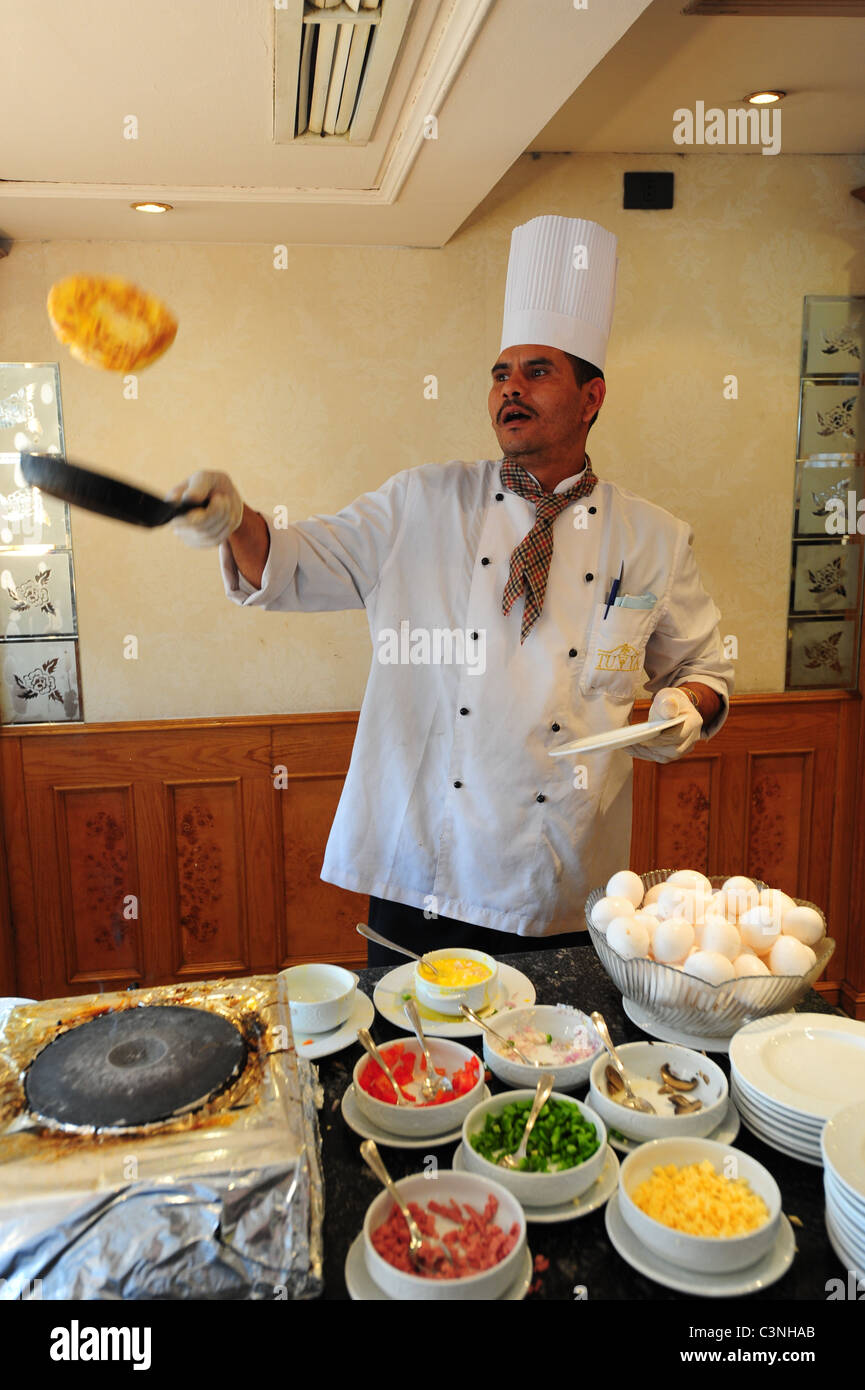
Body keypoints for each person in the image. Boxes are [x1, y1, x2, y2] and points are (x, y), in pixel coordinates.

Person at [167, 215, 733, 968]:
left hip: (558, 873)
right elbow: (295, 561)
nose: (509, 390)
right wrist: (235, 520)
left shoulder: (653, 537)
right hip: (424, 869)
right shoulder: (419, 504)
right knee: (415, 1067)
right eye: (500, 374)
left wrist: (682, 709)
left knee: (543, 1066)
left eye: (536, 371)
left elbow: (707, 669)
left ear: (591, 396)